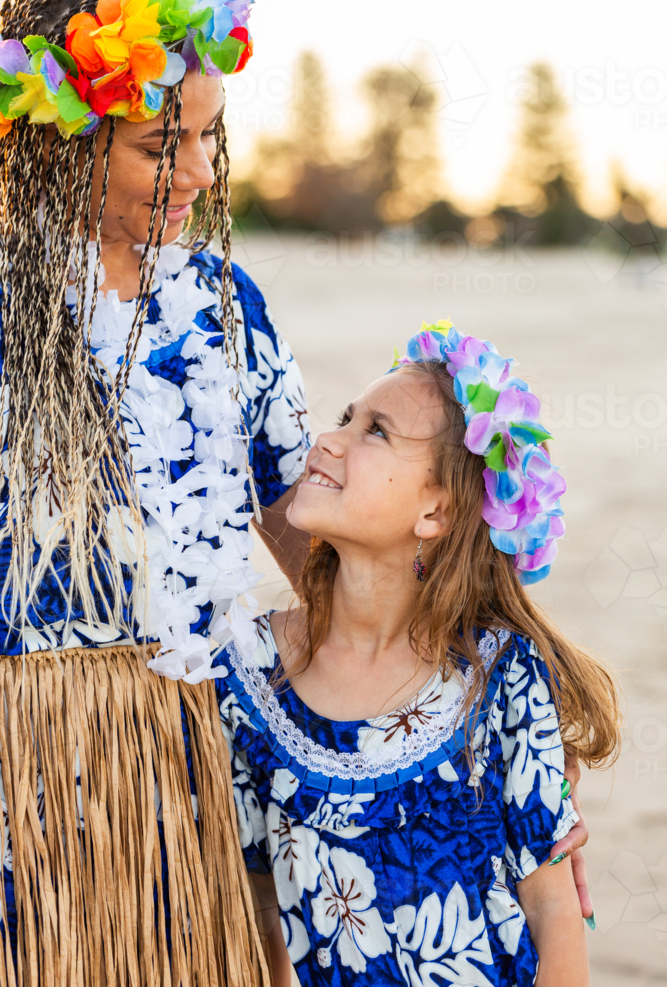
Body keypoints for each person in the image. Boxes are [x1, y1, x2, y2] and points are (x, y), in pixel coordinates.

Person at [0, 0, 308, 982]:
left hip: (190, 758)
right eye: (156, 146)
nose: (192, 174)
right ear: (58, 141)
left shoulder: (227, 306)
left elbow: (304, 524)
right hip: (24, 771)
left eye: (206, 141)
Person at [211, 320, 621, 987]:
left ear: (434, 511)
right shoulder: (252, 670)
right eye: (345, 417)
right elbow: (260, 907)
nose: (327, 440)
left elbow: (550, 904)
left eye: (375, 431)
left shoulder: (497, 677)